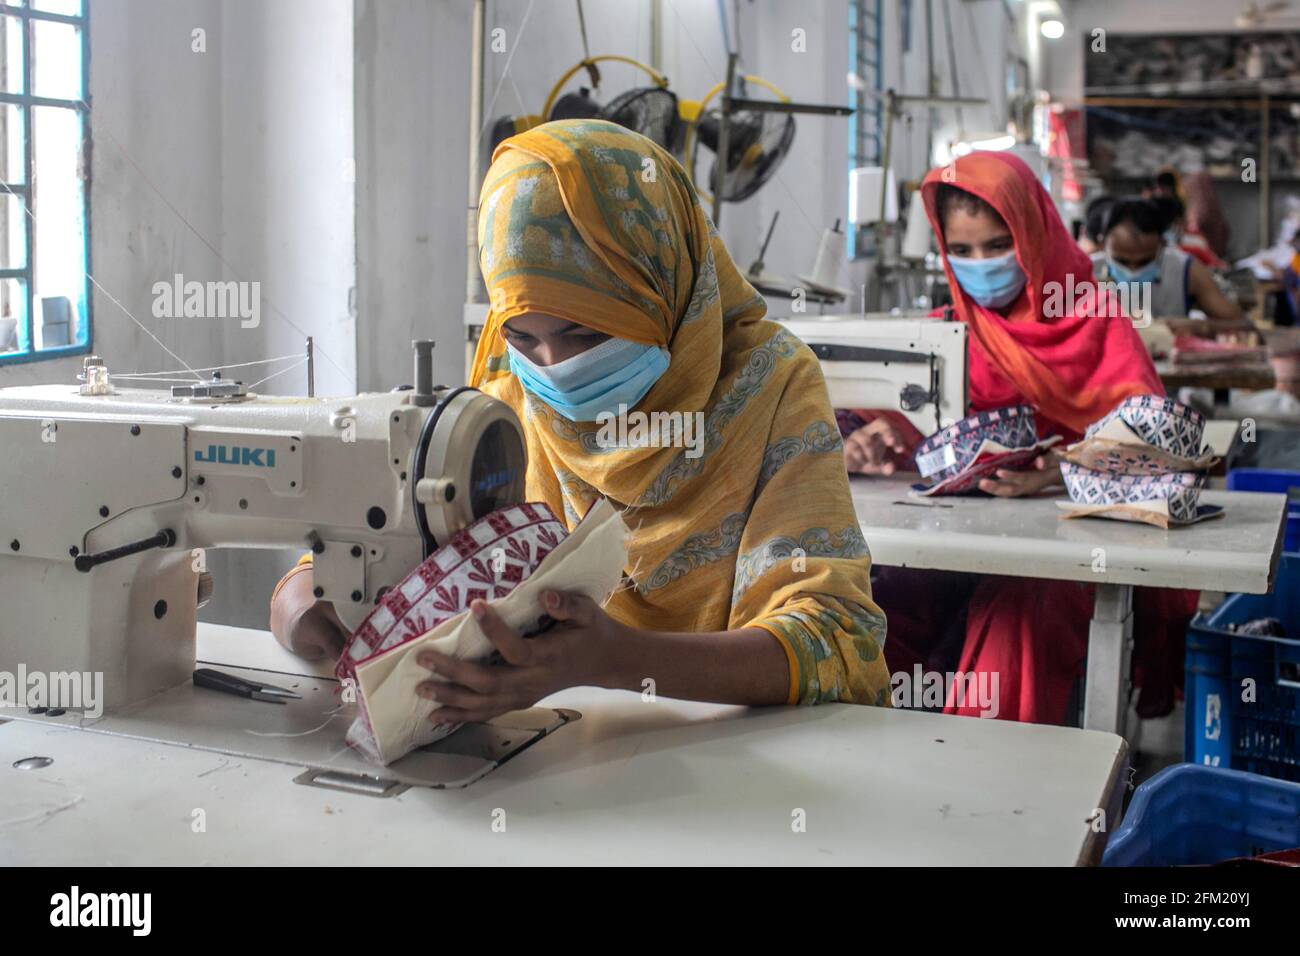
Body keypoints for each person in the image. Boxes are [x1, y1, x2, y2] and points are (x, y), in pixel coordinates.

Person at [270, 118, 892, 720]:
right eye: (522, 335)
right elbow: (382, 547)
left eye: (584, 333)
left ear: (663, 290)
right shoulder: (504, 390)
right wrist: (302, 606)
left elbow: (834, 642)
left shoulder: (771, 383)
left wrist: (615, 660)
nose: (554, 367)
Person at [839, 151, 1197, 725]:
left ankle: (987, 786)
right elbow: (882, 416)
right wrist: (860, 439)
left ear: (1032, 232)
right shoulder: (946, 329)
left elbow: (1158, 444)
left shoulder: (1094, 319)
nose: (980, 264)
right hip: (964, 535)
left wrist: (1064, 470)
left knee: (1015, 618)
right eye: (961, 251)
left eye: (996, 245)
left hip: (1069, 550)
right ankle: (881, 769)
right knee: (879, 608)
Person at [1093, 197, 1248, 333]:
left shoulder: (1186, 269)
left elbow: (1241, 325)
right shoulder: (1086, 271)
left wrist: (1201, 327)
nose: (1133, 271)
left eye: (1145, 261)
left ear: (1163, 244)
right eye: (1122, 261)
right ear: (1101, 244)